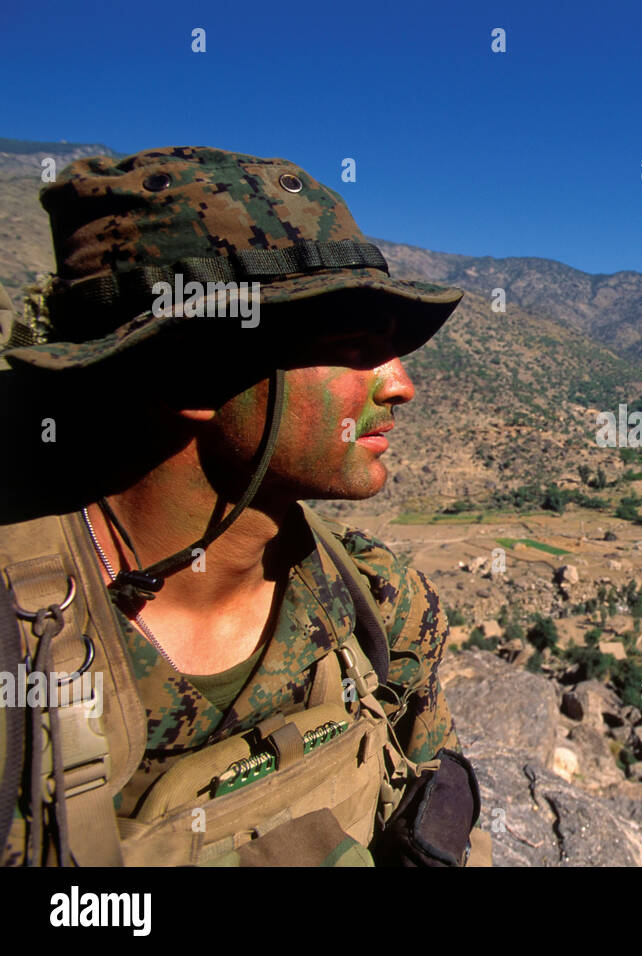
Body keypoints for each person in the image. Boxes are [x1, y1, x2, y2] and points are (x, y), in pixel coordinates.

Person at [0, 145, 485, 866]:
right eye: (354, 346)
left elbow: (420, 816)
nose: (401, 384)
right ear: (191, 374)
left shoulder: (380, 609)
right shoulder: (19, 652)